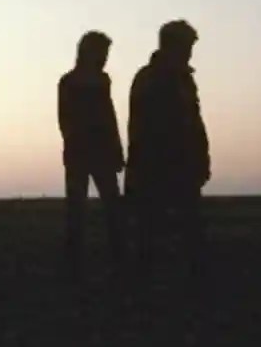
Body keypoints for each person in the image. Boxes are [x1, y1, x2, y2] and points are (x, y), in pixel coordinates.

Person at [126, 20, 211, 274]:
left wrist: (201, 158)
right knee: (152, 236)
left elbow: (194, 123)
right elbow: (149, 129)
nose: (189, 52)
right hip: (157, 170)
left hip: (180, 168)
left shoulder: (182, 79)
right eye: (187, 46)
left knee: (185, 234)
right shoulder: (151, 79)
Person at [58, 30, 127, 275]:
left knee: (111, 206)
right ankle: (75, 262)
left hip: (98, 152)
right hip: (82, 151)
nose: (105, 57)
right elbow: (66, 121)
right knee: (79, 208)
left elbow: (109, 117)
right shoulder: (70, 82)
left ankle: (116, 257)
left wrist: (116, 148)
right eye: (102, 52)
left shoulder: (100, 80)